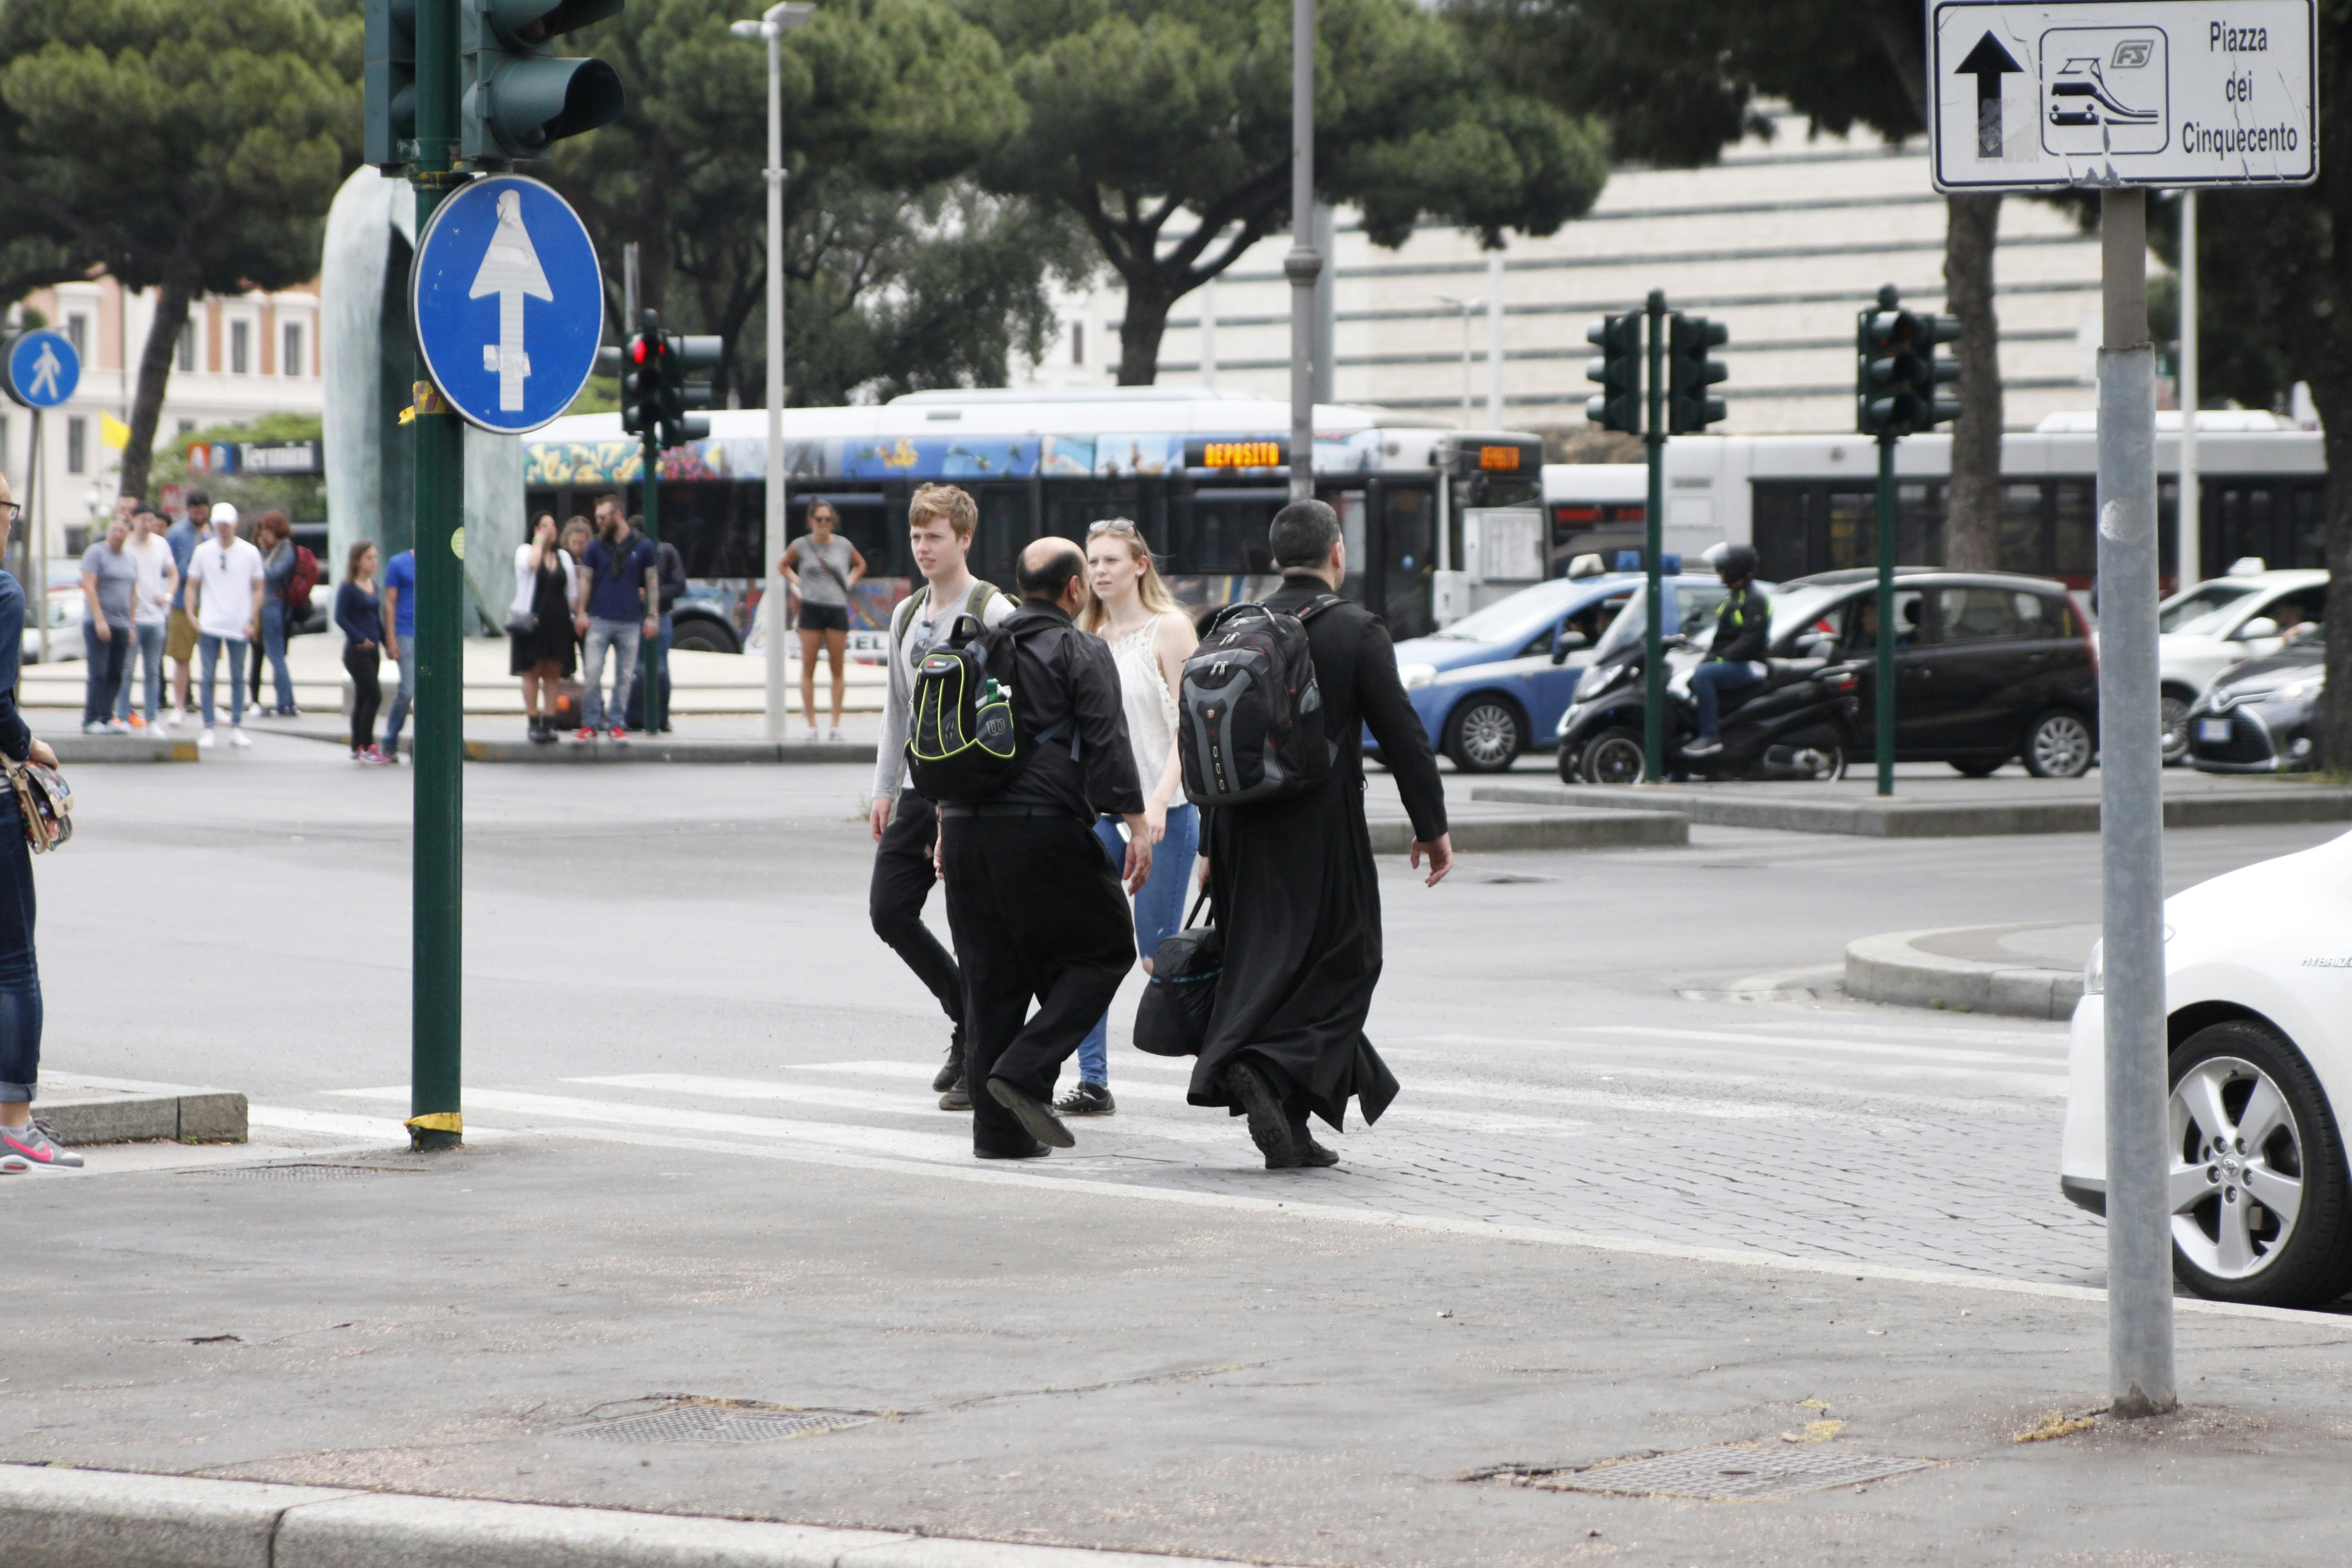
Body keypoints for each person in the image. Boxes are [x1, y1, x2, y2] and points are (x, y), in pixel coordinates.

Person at [1191, 499, 1452, 1170]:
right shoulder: (1355, 630)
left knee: (1262, 960)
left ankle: (1288, 1119)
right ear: (1338, 553)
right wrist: (1432, 828)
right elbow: (1403, 736)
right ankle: (1267, 1069)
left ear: (1276, 557)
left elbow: (1211, 745)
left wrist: (1205, 849)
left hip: (1238, 830)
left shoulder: (1229, 627)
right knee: (1349, 958)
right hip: (1320, 827)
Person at [940, 537, 1150, 1160]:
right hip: (1041, 830)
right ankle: (1025, 1068)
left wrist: (943, 832)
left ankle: (998, 1135)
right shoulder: (1078, 647)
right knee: (1106, 949)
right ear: (1074, 590)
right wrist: (1137, 824)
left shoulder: (971, 645)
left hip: (964, 832)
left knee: (993, 977)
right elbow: (1108, 746)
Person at [868, 484, 1015, 1109]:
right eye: (917, 536)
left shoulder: (993, 610)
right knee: (890, 911)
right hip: (916, 792)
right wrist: (882, 790)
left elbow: (1007, 710)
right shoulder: (906, 614)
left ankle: (983, 1060)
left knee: (972, 930)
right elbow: (896, 708)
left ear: (964, 538)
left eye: (935, 537)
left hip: (972, 797)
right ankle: (966, 1020)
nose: (924, 548)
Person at [1062, 519, 1200, 1117]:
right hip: (1100, 815)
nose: (1099, 571)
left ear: (1141, 564)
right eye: (1092, 561)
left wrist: (1164, 799)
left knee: (1158, 957)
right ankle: (1093, 1081)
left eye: (1111, 560)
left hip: (1165, 811)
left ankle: (1234, 1057)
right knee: (1087, 949)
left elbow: (1193, 728)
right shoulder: (1082, 634)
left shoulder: (1170, 630)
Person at [0, 472, 71, 1174]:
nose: (13, 520)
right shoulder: (3, 591)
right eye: (8, 507)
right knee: (15, 962)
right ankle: (15, 1122)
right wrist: (30, 747)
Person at [573, 494, 657, 741]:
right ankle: (590, 722)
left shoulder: (643, 547)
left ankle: (616, 722)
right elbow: (586, 580)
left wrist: (652, 615)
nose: (598, 522)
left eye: (603, 517)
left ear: (618, 515)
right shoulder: (595, 546)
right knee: (592, 674)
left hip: (630, 621)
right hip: (599, 618)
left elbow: (652, 581)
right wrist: (581, 612)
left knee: (624, 676)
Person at [782, 501, 866, 742]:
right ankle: (811, 723)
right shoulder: (802, 545)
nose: (823, 524)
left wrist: (849, 582)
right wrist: (798, 581)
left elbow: (860, 564)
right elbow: (783, 564)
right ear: (811, 521)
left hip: (836, 608)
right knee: (808, 667)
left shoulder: (843, 545)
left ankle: (836, 723)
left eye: (828, 520)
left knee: (837, 669)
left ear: (833, 521)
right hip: (811, 609)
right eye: (819, 519)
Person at [184, 501, 263, 749]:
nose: (223, 529)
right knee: (208, 676)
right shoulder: (204, 551)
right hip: (210, 622)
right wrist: (191, 613)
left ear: (235, 524)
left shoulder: (250, 552)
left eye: (227, 524)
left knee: (238, 676)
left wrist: (252, 619)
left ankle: (237, 726)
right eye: (219, 524)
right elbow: (192, 584)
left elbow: (259, 588)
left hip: (239, 624)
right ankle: (208, 726)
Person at [1680, 544, 1770, 760]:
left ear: (1736, 570)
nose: (1719, 573)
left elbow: (1750, 639)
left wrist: (1722, 657)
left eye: (1723, 569)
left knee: (1705, 675)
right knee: (1693, 679)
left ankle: (1710, 736)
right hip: (1735, 662)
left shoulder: (1754, 600)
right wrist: (1705, 656)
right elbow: (1721, 637)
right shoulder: (1733, 598)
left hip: (1752, 664)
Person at [511, 514, 579, 743]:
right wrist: (539, 541)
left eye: (554, 525)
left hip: (558, 621)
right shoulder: (525, 551)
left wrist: (575, 617)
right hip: (533, 621)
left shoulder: (563, 558)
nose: (552, 529)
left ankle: (550, 721)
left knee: (553, 672)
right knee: (532, 670)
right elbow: (532, 564)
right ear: (535, 529)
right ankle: (533, 720)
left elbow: (572, 591)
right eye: (545, 526)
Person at [115, 505, 176, 729]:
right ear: (133, 520)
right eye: (143, 519)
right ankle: (123, 716)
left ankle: (152, 717)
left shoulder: (161, 544)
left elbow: (173, 573)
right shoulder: (126, 545)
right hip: (132, 617)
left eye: (151, 520)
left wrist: (168, 594)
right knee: (127, 669)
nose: (147, 524)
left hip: (155, 617)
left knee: (153, 670)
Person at [78, 512, 138, 734]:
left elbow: (133, 593)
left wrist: (131, 625)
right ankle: (91, 718)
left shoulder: (130, 558)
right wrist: (99, 620)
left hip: (122, 623)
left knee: (116, 672)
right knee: (99, 672)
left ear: (128, 533)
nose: (118, 535)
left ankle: (106, 716)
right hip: (99, 622)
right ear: (109, 531)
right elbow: (89, 586)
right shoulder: (96, 553)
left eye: (122, 531)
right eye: (114, 530)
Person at [337, 541, 389, 764]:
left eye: (376, 558)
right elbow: (340, 617)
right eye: (369, 558)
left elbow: (376, 619)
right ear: (357, 561)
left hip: (373, 650)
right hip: (356, 651)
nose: (374, 562)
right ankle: (368, 745)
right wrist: (360, 638)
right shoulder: (348, 587)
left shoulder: (373, 586)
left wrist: (387, 643)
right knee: (374, 695)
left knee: (362, 697)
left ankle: (357, 745)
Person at [162, 490, 207, 727]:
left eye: (203, 509)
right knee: (181, 657)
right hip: (181, 603)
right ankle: (179, 705)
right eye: (195, 509)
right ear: (188, 510)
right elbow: (165, 567)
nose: (199, 513)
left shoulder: (214, 532)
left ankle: (210, 705)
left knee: (210, 658)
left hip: (210, 603)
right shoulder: (177, 533)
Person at [253, 511, 300, 717]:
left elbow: (273, 574)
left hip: (274, 606)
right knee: (275, 655)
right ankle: (286, 701)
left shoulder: (286, 549)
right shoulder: (273, 550)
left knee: (276, 655)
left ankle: (285, 702)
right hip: (267, 605)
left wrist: (255, 561)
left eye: (268, 530)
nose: (265, 535)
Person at [379, 544, 416, 760]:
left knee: (425, 694)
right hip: (405, 631)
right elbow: (390, 602)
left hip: (429, 634)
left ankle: (417, 743)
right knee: (407, 690)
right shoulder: (398, 563)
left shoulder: (437, 564)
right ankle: (390, 738)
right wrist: (390, 636)